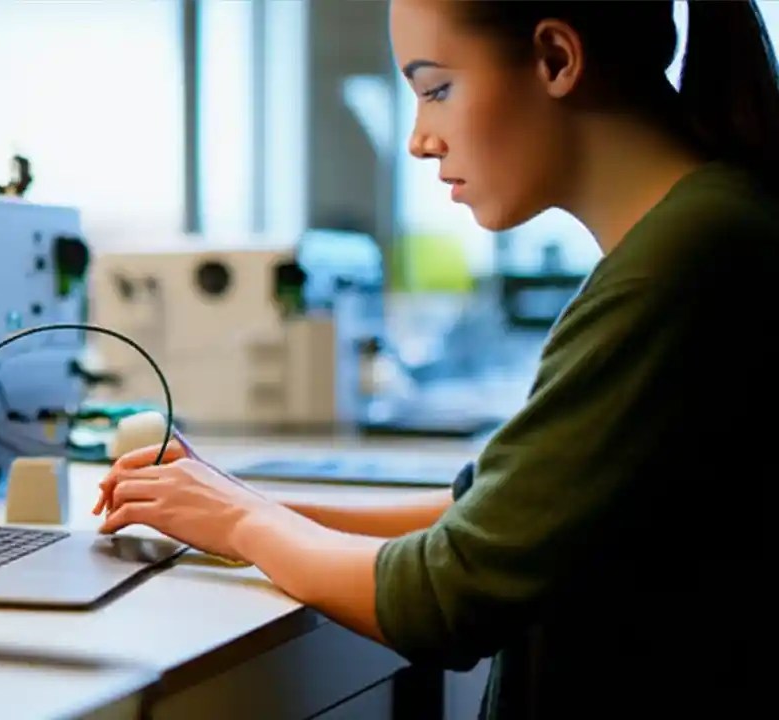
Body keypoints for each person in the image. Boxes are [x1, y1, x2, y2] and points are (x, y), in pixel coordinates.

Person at [93, 0, 778, 717]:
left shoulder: (688, 259)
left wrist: (241, 524)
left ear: (556, 60)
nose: (420, 139)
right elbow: (486, 517)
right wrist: (236, 502)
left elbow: (445, 594)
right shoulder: (706, 228)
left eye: (436, 89)